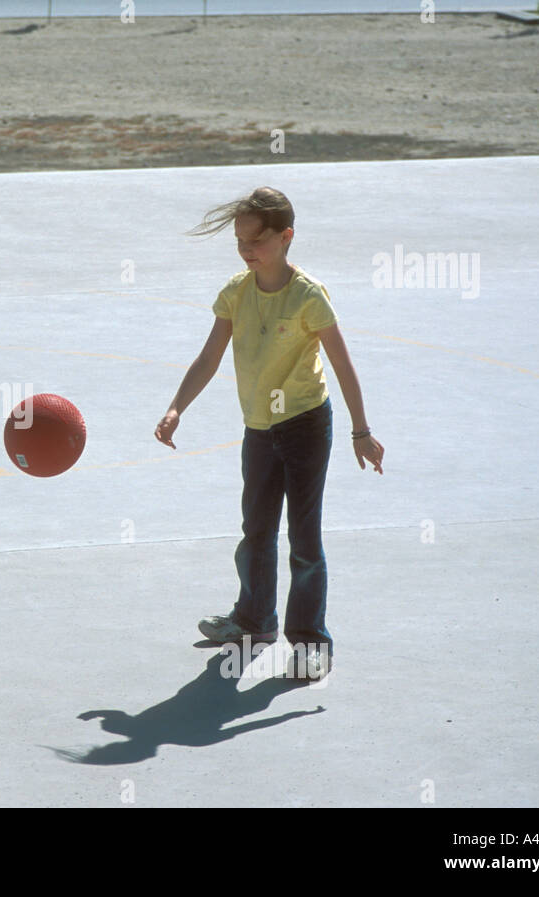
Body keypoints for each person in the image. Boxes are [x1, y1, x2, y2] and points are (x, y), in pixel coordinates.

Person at [154, 187, 385, 681]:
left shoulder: (308, 295)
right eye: (240, 240)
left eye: (256, 240)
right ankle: (254, 622)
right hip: (258, 429)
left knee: (304, 538)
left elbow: (342, 364)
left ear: (286, 237)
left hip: (303, 426)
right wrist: (177, 407)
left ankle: (310, 642)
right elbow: (209, 356)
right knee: (256, 533)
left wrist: (360, 430)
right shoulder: (236, 291)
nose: (246, 249)